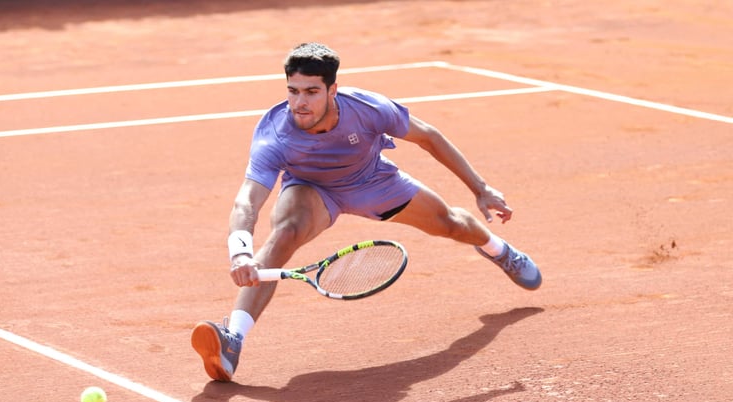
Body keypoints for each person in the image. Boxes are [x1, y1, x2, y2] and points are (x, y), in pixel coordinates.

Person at [192, 42, 542, 382]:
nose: (299, 102)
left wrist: (481, 190)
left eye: (311, 92)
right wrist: (240, 253)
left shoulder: (367, 108)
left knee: (449, 224)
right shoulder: (274, 136)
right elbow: (246, 202)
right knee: (283, 235)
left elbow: (429, 137)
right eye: (293, 91)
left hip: (371, 180)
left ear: (333, 90)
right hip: (311, 190)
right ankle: (233, 339)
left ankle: (499, 250)